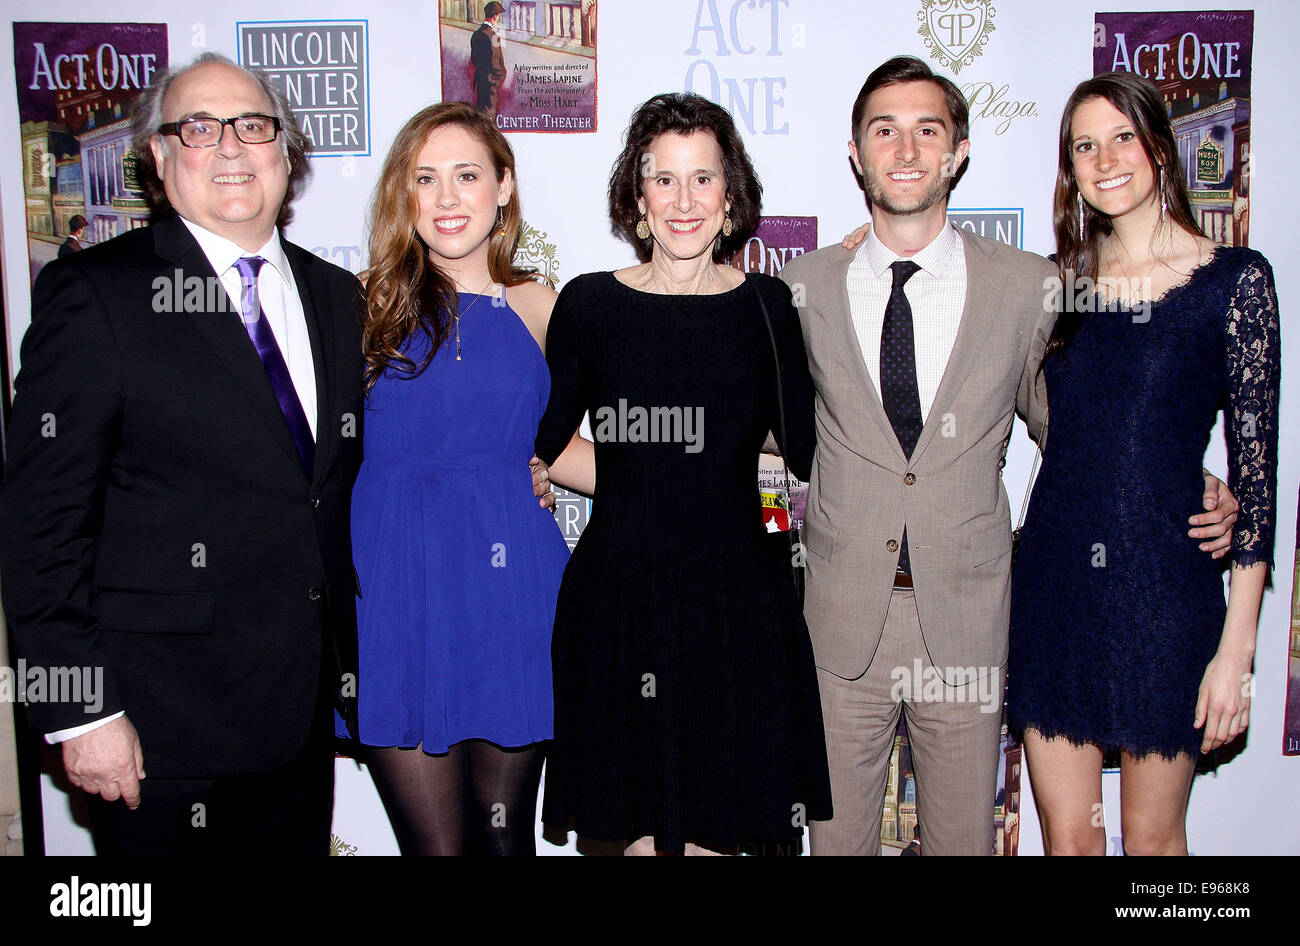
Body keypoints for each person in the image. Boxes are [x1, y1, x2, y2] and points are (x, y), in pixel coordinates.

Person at [779, 55, 1239, 856]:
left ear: (958, 151)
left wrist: (1185, 480)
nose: (907, 149)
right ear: (855, 153)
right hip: (839, 626)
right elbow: (743, 419)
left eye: (929, 130)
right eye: (884, 131)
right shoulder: (797, 287)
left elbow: (1087, 430)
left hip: (971, 621)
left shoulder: (1034, 287)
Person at [0, 53, 364, 854]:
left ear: (286, 152)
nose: (231, 147)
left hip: (301, 719)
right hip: (159, 732)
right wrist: (81, 711)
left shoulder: (336, 296)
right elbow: (39, 526)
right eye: (198, 128)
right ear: (160, 158)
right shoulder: (97, 294)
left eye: (254, 126)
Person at [533, 92, 832, 855]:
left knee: (720, 831)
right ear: (637, 198)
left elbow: (793, 454)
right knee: (634, 834)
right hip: (622, 600)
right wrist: (638, 481)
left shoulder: (768, 305)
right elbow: (547, 442)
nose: (684, 201)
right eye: (663, 180)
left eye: (703, 179)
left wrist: (751, 501)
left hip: (739, 604)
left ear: (731, 196)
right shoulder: (590, 304)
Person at [1008, 71, 1279, 856]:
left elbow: (1257, 489)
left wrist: (1237, 652)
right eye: (1084, 145)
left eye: (1121, 136)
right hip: (1055, 585)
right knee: (1067, 839)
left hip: (1165, 594)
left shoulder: (1235, 283)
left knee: (1153, 840)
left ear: (1159, 145)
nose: (1105, 158)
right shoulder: (1060, 285)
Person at [344, 101, 591, 855]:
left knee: (506, 840)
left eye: (467, 175)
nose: (447, 199)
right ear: (401, 193)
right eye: (425, 179)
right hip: (394, 596)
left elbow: (583, 448)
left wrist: (700, 470)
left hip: (512, 596)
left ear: (504, 187)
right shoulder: (358, 305)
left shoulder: (543, 305)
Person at [470, 2, 507, 119]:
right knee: (489, 117)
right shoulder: (493, 36)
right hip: (490, 85)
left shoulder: (476, 34)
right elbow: (497, 63)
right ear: (495, 16)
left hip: (480, 82)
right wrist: (497, 79)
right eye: (498, 15)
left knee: (480, 115)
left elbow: (474, 59)